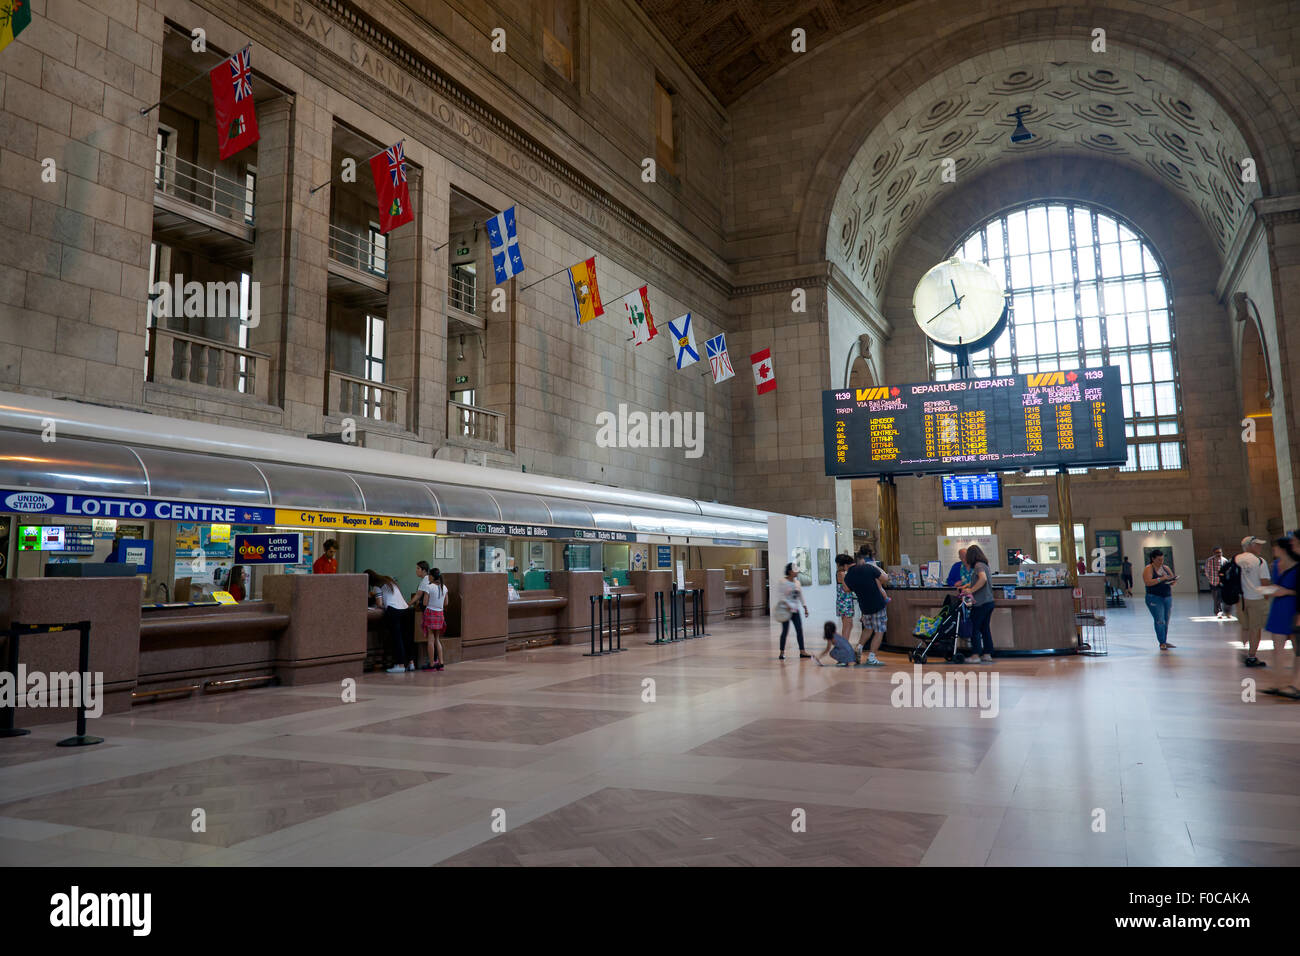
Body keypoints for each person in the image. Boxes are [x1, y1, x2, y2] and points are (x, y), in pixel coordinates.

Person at [1259, 536, 1298, 694]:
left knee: (1297, 649)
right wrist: (1270, 590)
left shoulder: (1297, 566)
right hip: (1278, 608)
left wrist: (1285, 591)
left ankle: (1295, 683)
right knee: (1277, 649)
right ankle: (1278, 683)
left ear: (1283, 549)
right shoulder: (1276, 564)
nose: (1273, 550)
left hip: (1292, 607)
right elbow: (1275, 583)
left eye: (1275, 547)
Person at [844, 549, 888, 666]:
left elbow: (847, 589)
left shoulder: (849, 575)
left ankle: (859, 647)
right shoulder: (869, 568)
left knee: (868, 628)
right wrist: (876, 567)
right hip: (877, 604)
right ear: (862, 560)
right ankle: (871, 657)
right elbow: (885, 578)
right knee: (879, 631)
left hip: (864, 607)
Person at [1236, 536, 1272, 667]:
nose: (1260, 547)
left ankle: (1244, 650)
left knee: (1245, 627)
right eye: (1257, 545)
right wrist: (1267, 598)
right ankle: (1252, 657)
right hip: (1256, 599)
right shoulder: (1260, 561)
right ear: (1249, 546)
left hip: (1241, 600)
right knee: (1255, 629)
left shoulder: (1236, 559)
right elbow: (1265, 582)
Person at [367, 569, 413, 673]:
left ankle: (400, 665)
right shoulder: (390, 581)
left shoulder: (377, 586)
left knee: (397, 638)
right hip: (406, 609)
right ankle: (411, 663)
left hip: (394, 611)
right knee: (406, 637)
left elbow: (379, 604)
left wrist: (373, 598)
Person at [959, 544, 995, 662]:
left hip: (981, 603)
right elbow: (980, 579)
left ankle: (975, 655)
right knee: (985, 628)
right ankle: (987, 654)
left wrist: (970, 590)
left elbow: (983, 579)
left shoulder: (978, 566)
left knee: (974, 628)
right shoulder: (984, 565)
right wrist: (968, 585)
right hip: (989, 602)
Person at [1141, 549, 1177, 650]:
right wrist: (1161, 579)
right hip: (1154, 598)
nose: (1161, 562)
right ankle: (1161, 642)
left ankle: (1164, 640)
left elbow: (1171, 577)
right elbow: (1148, 582)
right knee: (1159, 620)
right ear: (1153, 559)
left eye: (1162, 559)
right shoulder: (1148, 569)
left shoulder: (1165, 568)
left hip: (1167, 597)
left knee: (1166, 620)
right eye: (1159, 560)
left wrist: (1173, 581)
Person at [776, 562, 810, 661]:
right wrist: (785, 604)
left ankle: (802, 651)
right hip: (785, 610)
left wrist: (805, 607)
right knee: (785, 631)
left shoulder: (797, 582)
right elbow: (780, 595)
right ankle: (782, 652)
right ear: (790, 571)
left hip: (795, 610)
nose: (797, 573)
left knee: (799, 630)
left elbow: (800, 595)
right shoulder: (782, 581)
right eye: (795, 571)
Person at [422, 566, 448, 671]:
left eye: (429, 575)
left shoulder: (429, 587)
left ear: (432, 576)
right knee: (437, 639)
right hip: (440, 613)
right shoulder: (444, 587)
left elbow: (424, 602)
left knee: (430, 640)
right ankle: (441, 663)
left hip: (430, 613)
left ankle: (432, 664)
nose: (428, 577)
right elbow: (446, 603)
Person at [835, 554, 856, 646]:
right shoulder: (841, 573)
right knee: (847, 625)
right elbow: (846, 588)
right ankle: (844, 645)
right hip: (845, 601)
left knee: (849, 624)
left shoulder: (841, 572)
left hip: (844, 600)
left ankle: (845, 644)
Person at [1204, 547, 1227, 618]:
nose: (1219, 554)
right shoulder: (1209, 560)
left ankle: (1220, 611)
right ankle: (1218, 611)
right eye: (1217, 552)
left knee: (1220, 597)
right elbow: (1207, 570)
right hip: (1213, 582)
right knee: (1216, 597)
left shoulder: (1225, 560)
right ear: (1214, 553)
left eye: (1220, 552)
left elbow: (1227, 571)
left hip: (1222, 583)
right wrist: (1210, 579)